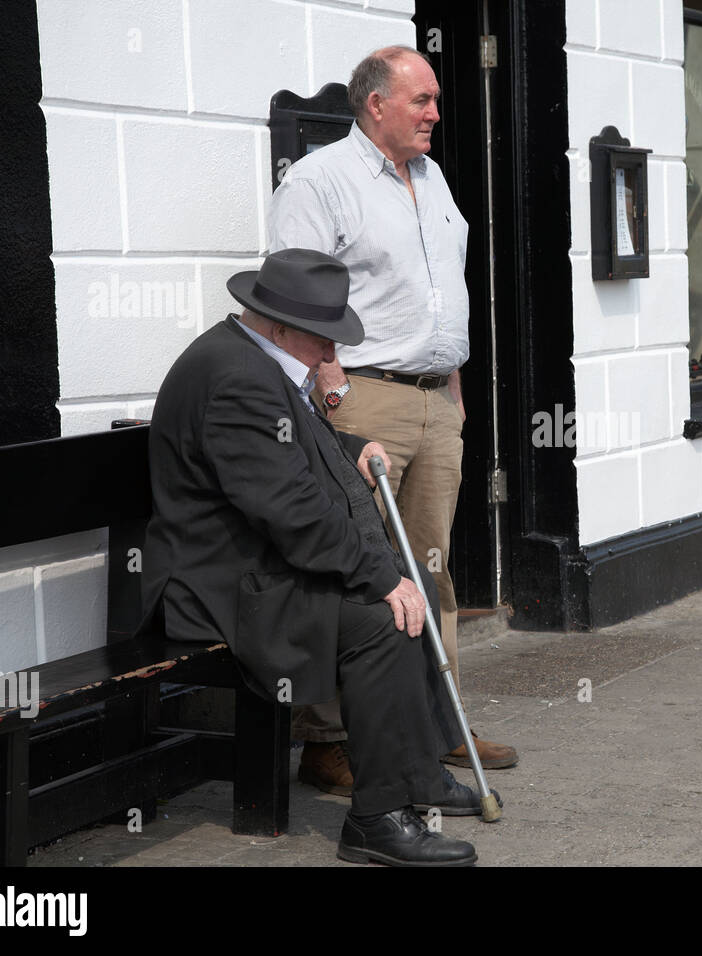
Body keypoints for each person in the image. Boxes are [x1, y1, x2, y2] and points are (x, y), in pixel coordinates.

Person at [139, 248, 499, 866]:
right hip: (217, 585)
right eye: (324, 342)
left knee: (401, 587)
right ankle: (378, 818)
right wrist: (381, 579)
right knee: (386, 615)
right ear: (279, 325)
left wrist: (350, 445)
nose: (333, 358)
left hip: (250, 564)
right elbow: (293, 511)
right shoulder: (238, 379)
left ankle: (413, 772)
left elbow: (293, 446)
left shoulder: (252, 358)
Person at [268, 44, 517, 793]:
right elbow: (292, 292)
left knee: (429, 568)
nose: (437, 113)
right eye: (424, 100)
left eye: (437, 99)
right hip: (365, 395)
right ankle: (328, 738)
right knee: (350, 569)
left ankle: (435, 721)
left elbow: (444, 291)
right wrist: (334, 388)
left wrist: (456, 388)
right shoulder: (320, 180)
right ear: (376, 103)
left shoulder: (433, 178)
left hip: (437, 400)